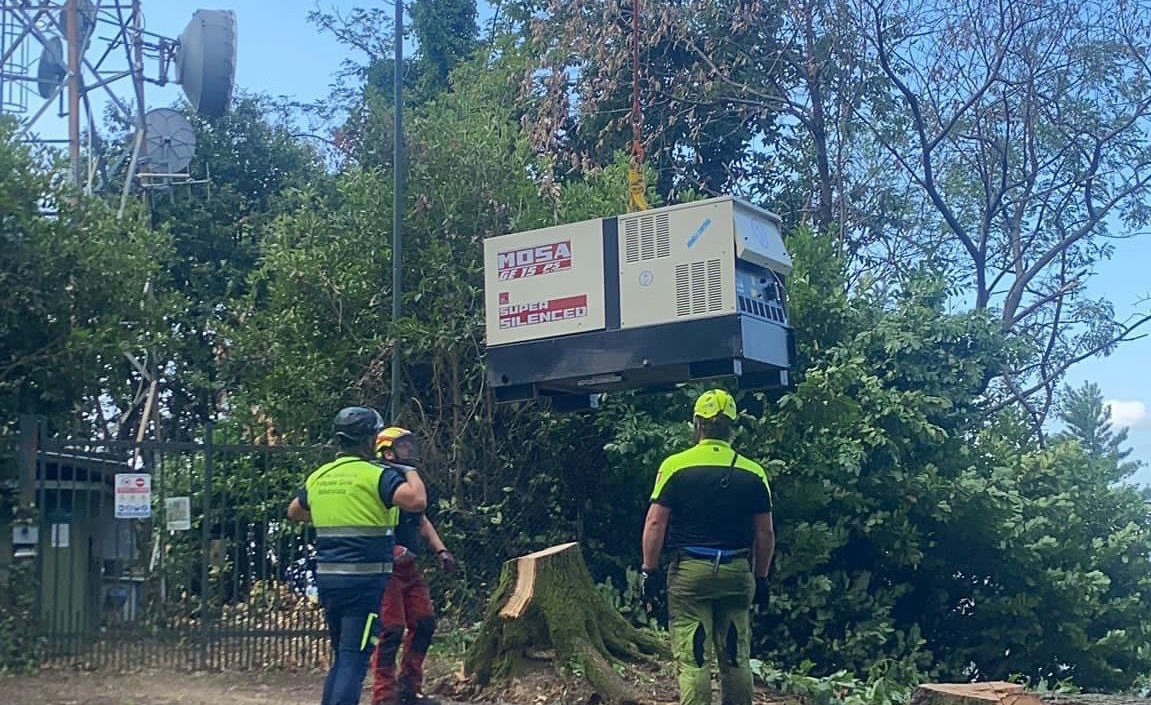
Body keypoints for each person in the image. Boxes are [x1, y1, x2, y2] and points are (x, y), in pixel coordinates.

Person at [640, 389, 776, 705]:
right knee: (735, 656)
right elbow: (765, 534)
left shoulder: (675, 466)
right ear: (733, 427)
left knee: (694, 658)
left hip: (690, 573)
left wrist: (649, 571)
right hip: (737, 573)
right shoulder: (754, 472)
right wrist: (761, 578)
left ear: (697, 424)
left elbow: (655, 523)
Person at [287, 406, 428, 705]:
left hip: (329, 582)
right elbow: (416, 500)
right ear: (369, 440)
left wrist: (332, 512)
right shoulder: (375, 475)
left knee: (342, 657)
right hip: (364, 584)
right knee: (354, 660)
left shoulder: (320, 476)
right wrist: (409, 470)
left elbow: (294, 512)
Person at [369, 427, 457, 705]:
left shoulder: (408, 481)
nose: (409, 451)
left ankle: (409, 689)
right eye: (403, 447)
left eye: (410, 446)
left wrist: (441, 550)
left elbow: (420, 518)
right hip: (387, 568)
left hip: (409, 567)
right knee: (391, 629)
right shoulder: (382, 480)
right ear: (387, 453)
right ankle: (384, 695)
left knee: (424, 623)